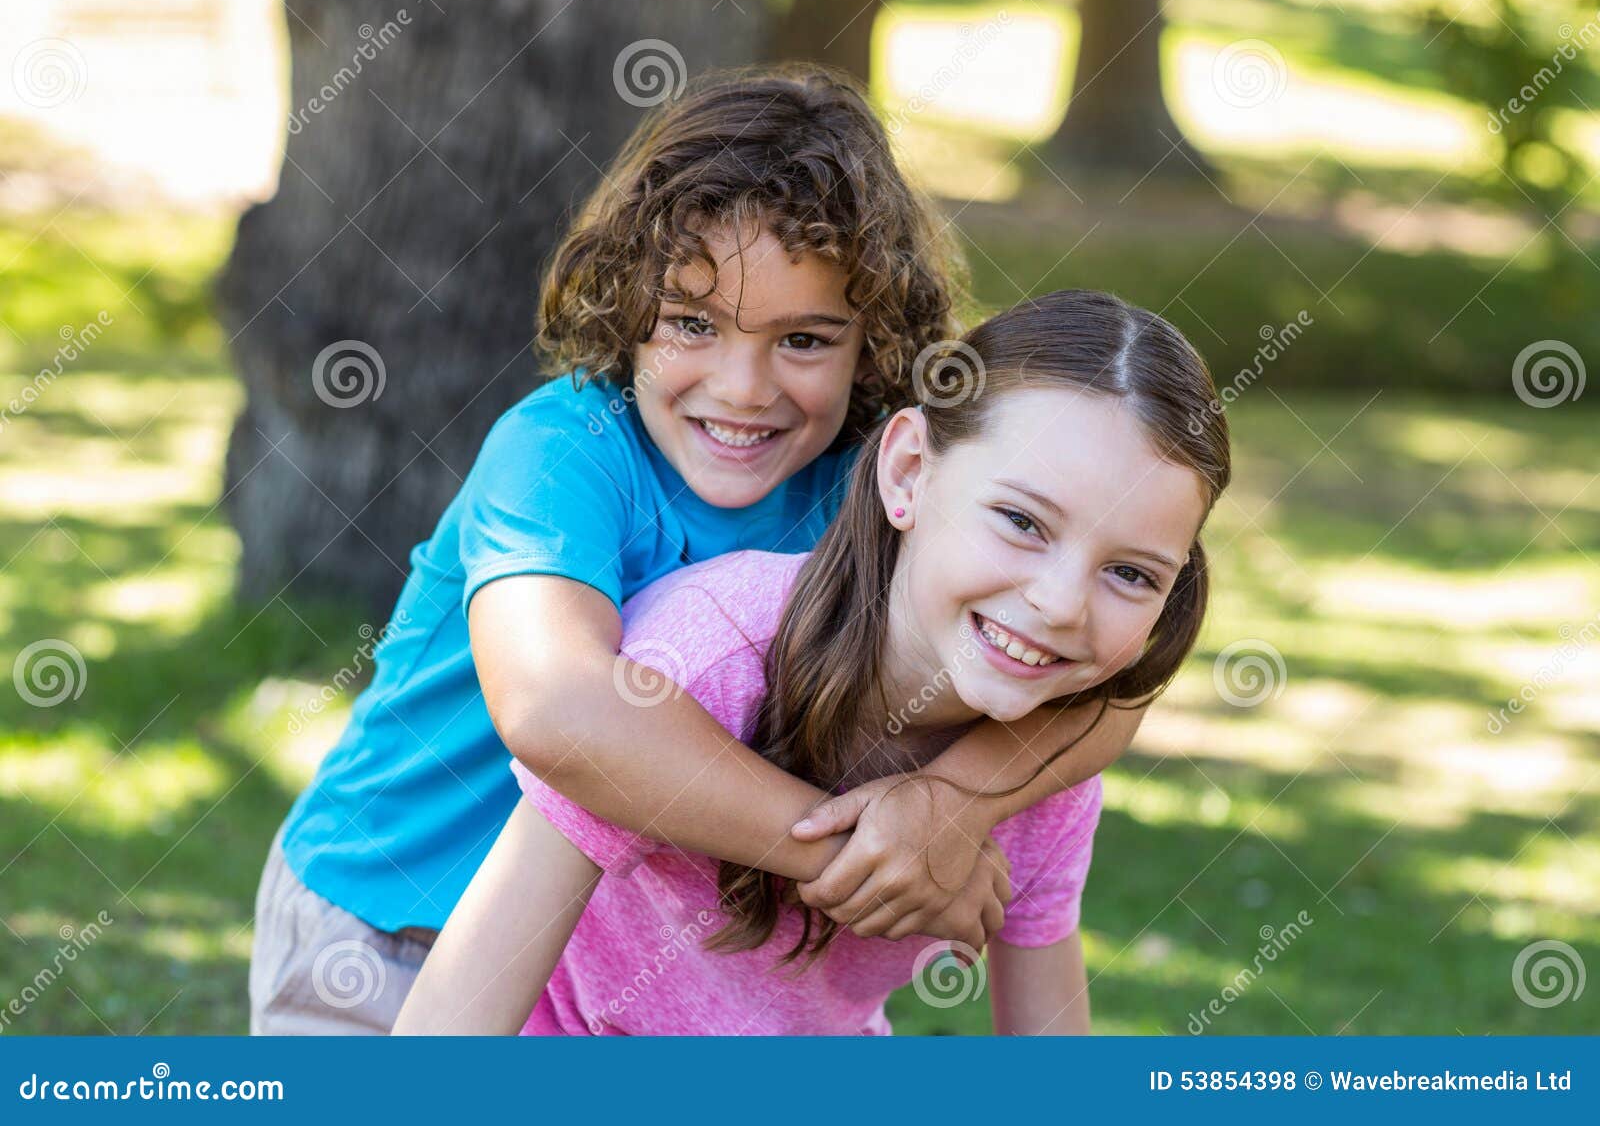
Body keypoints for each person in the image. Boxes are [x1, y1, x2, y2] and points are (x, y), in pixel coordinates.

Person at [251, 70, 1144, 1034]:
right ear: (629, 308)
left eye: (804, 338)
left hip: (606, 971)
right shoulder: (564, 451)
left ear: (870, 342)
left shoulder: (878, 479)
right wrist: (837, 850)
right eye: (692, 323)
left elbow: (1106, 684)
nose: (744, 386)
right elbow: (560, 711)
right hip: (391, 929)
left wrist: (947, 805)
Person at [394, 288, 1233, 1035]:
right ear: (908, 472)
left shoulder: (1043, 766)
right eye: (1021, 520)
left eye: (1130, 573)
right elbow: (454, 1022)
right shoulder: (709, 658)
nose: (1060, 602)